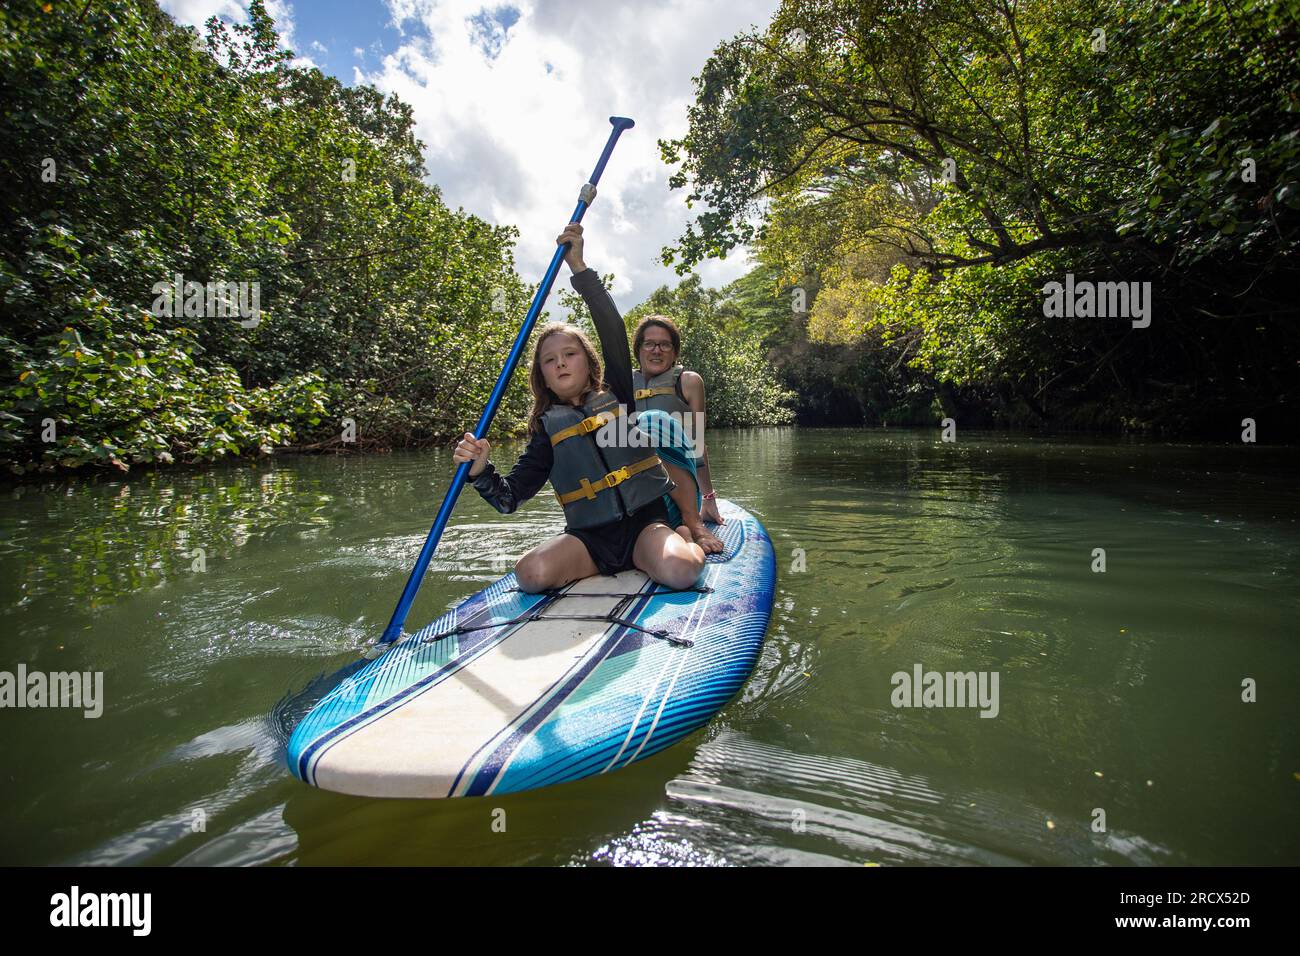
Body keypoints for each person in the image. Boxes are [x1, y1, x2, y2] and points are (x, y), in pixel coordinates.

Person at [452, 222, 707, 594]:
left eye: (569, 354)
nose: (560, 363)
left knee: (682, 571)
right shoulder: (546, 429)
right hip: (591, 540)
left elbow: (612, 330)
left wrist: (579, 268)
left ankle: (683, 535)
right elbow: (509, 498)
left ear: (588, 361)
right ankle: (594, 567)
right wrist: (479, 471)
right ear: (542, 376)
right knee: (530, 574)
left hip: (644, 529)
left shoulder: (618, 395)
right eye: (549, 360)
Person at [631, 315, 725, 553]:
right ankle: (677, 531)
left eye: (665, 344)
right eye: (649, 344)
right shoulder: (623, 383)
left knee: (653, 422)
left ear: (674, 352)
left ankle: (690, 525)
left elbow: (698, 445)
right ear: (638, 349)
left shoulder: (689, 382)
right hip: (640, 495)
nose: (657, 350)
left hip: (680, 497)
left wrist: (708, 498)